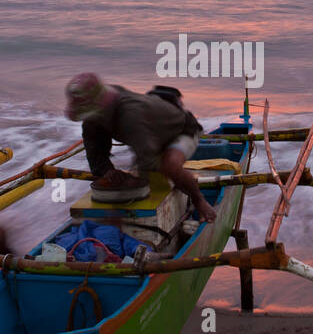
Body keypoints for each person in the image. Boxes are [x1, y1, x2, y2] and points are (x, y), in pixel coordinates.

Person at [65, 72, 216, 222]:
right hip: (150, 134)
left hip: (181, 129)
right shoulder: (94, 118)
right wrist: (107, 172)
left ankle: (199, 200)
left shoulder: (131, 115)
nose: (87, 120)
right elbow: (96, 154)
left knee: (169, 166)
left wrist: (120, 207)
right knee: (113, 176)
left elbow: (147, 161)